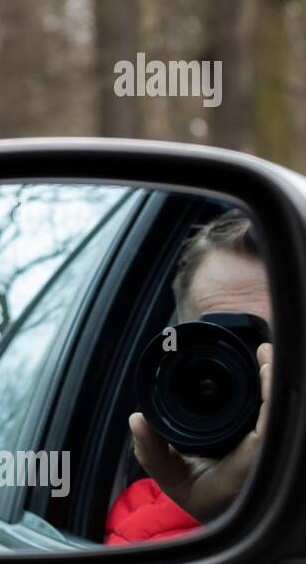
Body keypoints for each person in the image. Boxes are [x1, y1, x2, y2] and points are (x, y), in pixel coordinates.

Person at [105, 210, 274, 545]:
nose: (263, 376)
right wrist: (218, 517)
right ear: (180, 360)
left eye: (289, 347)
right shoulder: (137, 525)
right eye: (231, 347)